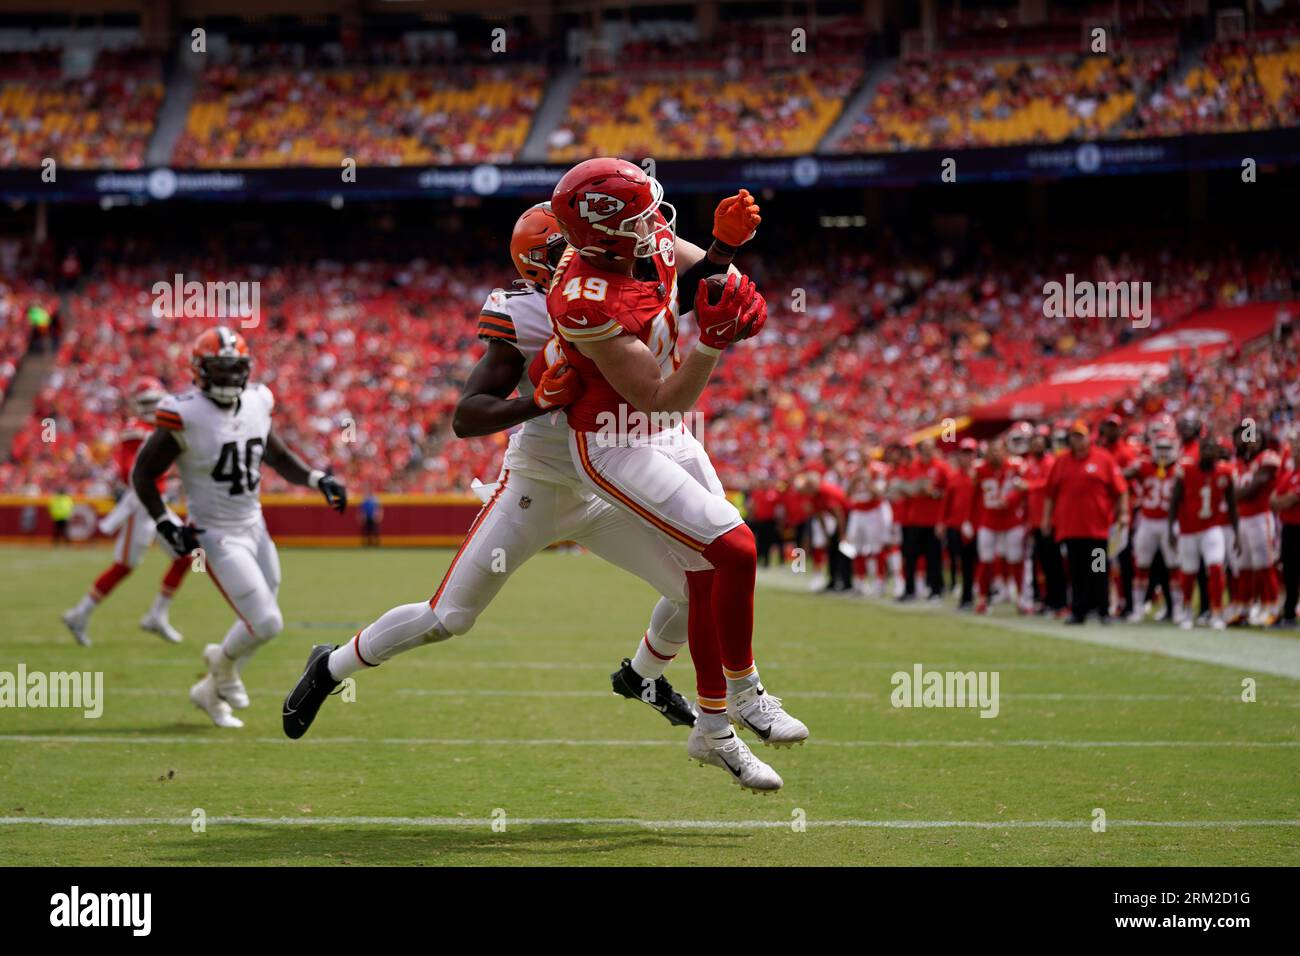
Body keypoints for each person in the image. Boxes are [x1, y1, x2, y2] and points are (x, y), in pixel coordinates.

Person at [543, 157, 805, 791]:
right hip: (617, 442)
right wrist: (713, 341)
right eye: (637, 215)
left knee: (705, 573)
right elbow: (661, 396)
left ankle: (712, 731)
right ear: (603, 233)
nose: (654, 223)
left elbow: (707, 281)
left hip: (665, 432)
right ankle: (744, 691)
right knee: (735, 549)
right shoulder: (579, 297)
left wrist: (726, 254)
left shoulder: (647, 235)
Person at [132, 327, 348, 729]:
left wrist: (317, 478)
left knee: (261, 614)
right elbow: (143, 473)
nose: (230, 377)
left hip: (254, 523)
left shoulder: (256, 401)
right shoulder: (183, 412)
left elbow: (277, 455)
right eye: (221, 369)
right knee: (265, 622)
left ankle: (209, 693)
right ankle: (222, 664)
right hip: (215, 532)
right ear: (200, 371)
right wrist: (165, 520)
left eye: (236, 369)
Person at [61, 376, 191, 647]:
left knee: (186, 555)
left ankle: (156, 614)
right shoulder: (138, 430)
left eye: (155, 402)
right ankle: (79, 613)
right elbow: (132, 472)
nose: (152, 408)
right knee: (125, 566)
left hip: (157, 505)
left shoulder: (161, 429)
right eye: (146, 403)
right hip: (142, 506)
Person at [1042, 420, 1129, 624]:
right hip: (1071, 529)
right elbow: (1050, 494)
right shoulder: (1061, 462)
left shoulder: (1103, 459)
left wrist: (1123, 513)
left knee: (1098, 570)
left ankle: (1103, 611)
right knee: (1076, 572)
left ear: (1089, 437)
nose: (1077, 440)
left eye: (1081, 436)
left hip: (1096, 531)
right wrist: (1046, 518)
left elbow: (1121, 490)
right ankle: (1078, 611)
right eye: (1074, 436)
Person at [1168, 437, 1238, 630]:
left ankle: (1216, 612)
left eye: (1211, 447)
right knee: (1188, 571)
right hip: (1188, 529)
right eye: (1204, 447)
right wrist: (1170, 530)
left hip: (1211, 527)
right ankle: (1187, 610)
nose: (1207, 451)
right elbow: (1174, 501)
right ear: (1199, 450)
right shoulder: (1186, 470)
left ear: (1217, 452)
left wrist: (1237, 533)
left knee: (1216, 568)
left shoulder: (1225, 472)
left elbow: (1232, 506)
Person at [899, 438, 948, 601]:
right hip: (915, 518)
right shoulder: (914, 466)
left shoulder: (941, 467)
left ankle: (935, 590)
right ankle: (909, 590)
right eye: (925, 448)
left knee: (934, 557)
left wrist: (933, 493)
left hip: (933, 519)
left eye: (930, 447)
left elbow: (948, 491)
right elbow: (906, 487)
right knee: (910, 557)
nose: (927, 451)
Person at [943, 438, 977, 609]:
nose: (967, 458)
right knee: (962, 560)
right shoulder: (954, 477)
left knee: (978, 560)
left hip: (976, 524)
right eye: (964, 454)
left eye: (969, 454)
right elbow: (947, 502)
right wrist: (942, 522)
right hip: (956, 524)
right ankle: (965, 595)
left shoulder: (979, 474)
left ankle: (983, 592)